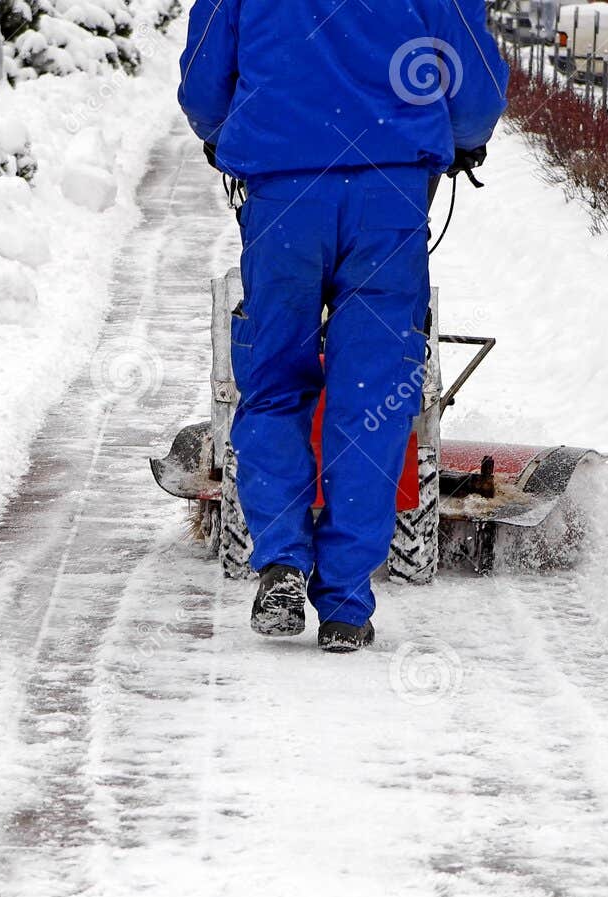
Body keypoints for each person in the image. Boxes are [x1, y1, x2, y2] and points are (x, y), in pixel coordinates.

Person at [178, 0, 508, 653]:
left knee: (274, 382)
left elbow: (204, 82)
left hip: (282, 195)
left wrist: (225, 134)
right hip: (389, 194)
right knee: (372, 396)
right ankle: (346, 605)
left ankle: (280, 564)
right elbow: (473, 86)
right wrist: (464, 142)